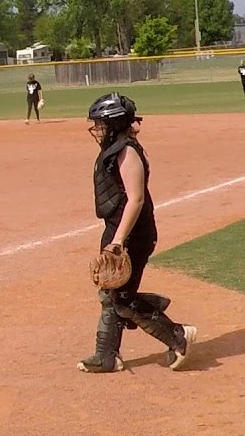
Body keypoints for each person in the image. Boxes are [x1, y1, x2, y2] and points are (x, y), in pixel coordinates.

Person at [78, 92, 197, 374]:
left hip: (131, 234)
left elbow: (136, 198)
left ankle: (177, 336)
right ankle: (106, 356)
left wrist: (119, 241)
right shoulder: (114, 148)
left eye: (101, 124)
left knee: (121, 297)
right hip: (118, 229)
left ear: (116, 124)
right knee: (111, 291)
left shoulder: (127, 151)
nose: (96, 130)